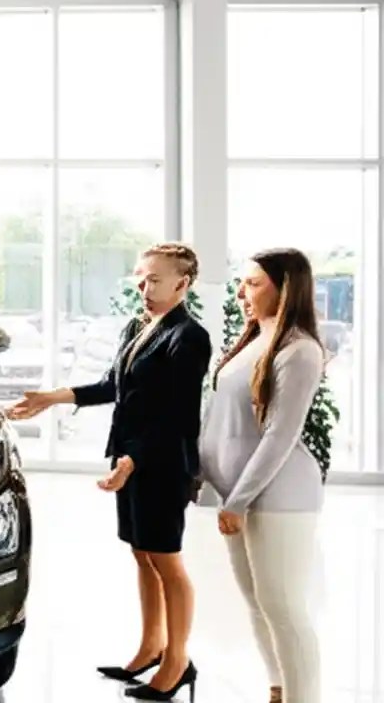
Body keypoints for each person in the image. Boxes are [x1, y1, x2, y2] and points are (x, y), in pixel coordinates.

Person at [7, 243, 212, 702]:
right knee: (142, 554)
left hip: (159, 463)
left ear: (183, 283)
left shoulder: (188, 336)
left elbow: (176, 415)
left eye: (155, 280)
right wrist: (50, 398)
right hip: (130, 458)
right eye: (141, 278)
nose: (145, 287)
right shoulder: (138, 326)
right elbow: (112, 387)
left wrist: (133, 460)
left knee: (166, 560)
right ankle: (151, 648)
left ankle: (178, 662)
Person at [199, 249, 326, 703]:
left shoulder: (300, 350)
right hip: (239, 495)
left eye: (253, 283)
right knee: (258, 604)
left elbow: (280, 436)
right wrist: (201, 475)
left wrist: (238, 500)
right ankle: (277, 691)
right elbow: (221, 423)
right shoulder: (254, 339)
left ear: (284, 287)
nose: (241, 293)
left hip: (278, 496)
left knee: (285, 608)